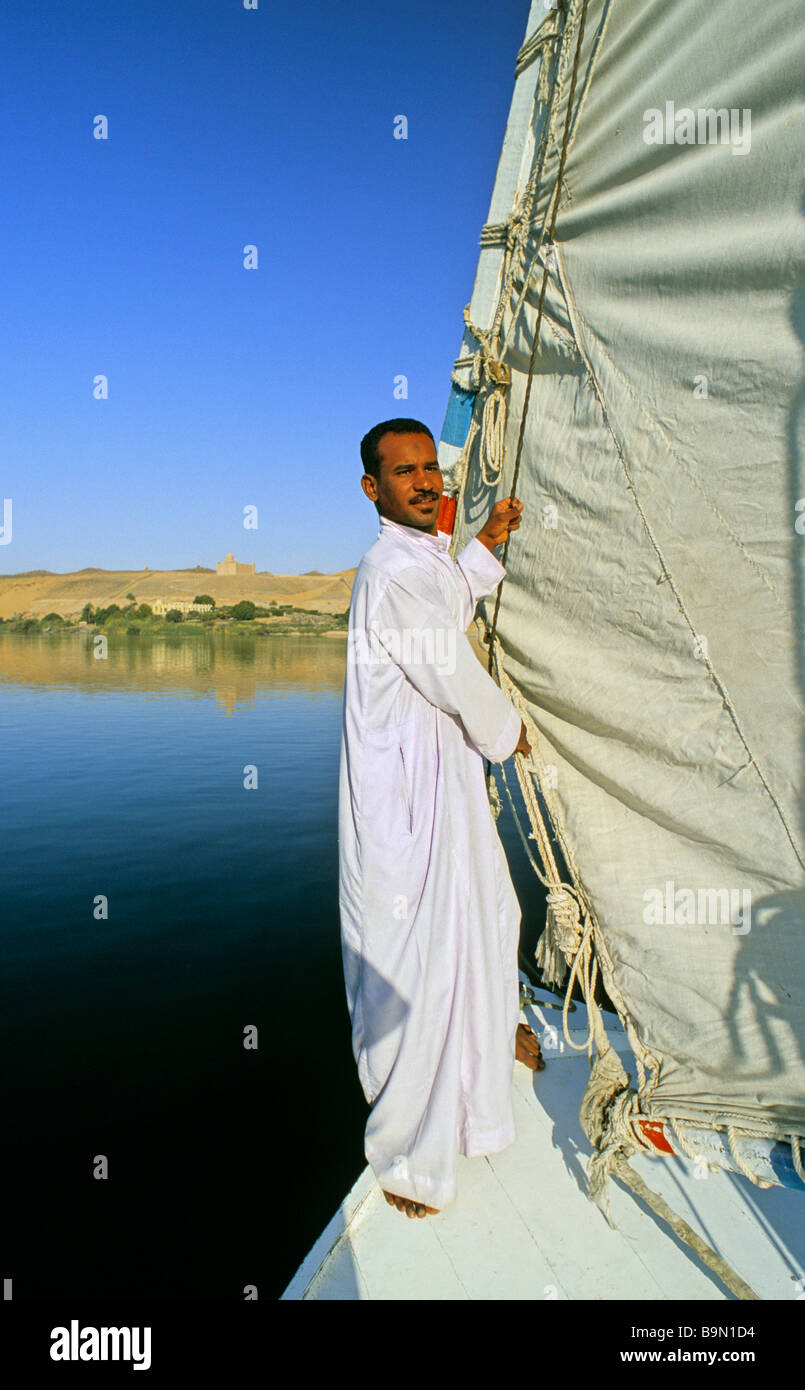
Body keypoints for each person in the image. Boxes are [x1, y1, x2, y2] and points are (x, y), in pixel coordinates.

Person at [338, 417, 545, 1220]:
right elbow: (444, 662)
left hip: (445, 790)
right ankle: (407, 1155)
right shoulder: (387, 569)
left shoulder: (421, 560)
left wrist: (484, 541)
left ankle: (487, 1057)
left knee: (490, 916)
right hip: (404, 807)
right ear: (373, 489)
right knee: (417, 961)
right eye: (405, 473)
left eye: (431, 469)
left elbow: (450, 594)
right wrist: (508, 730)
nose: (426, 482)